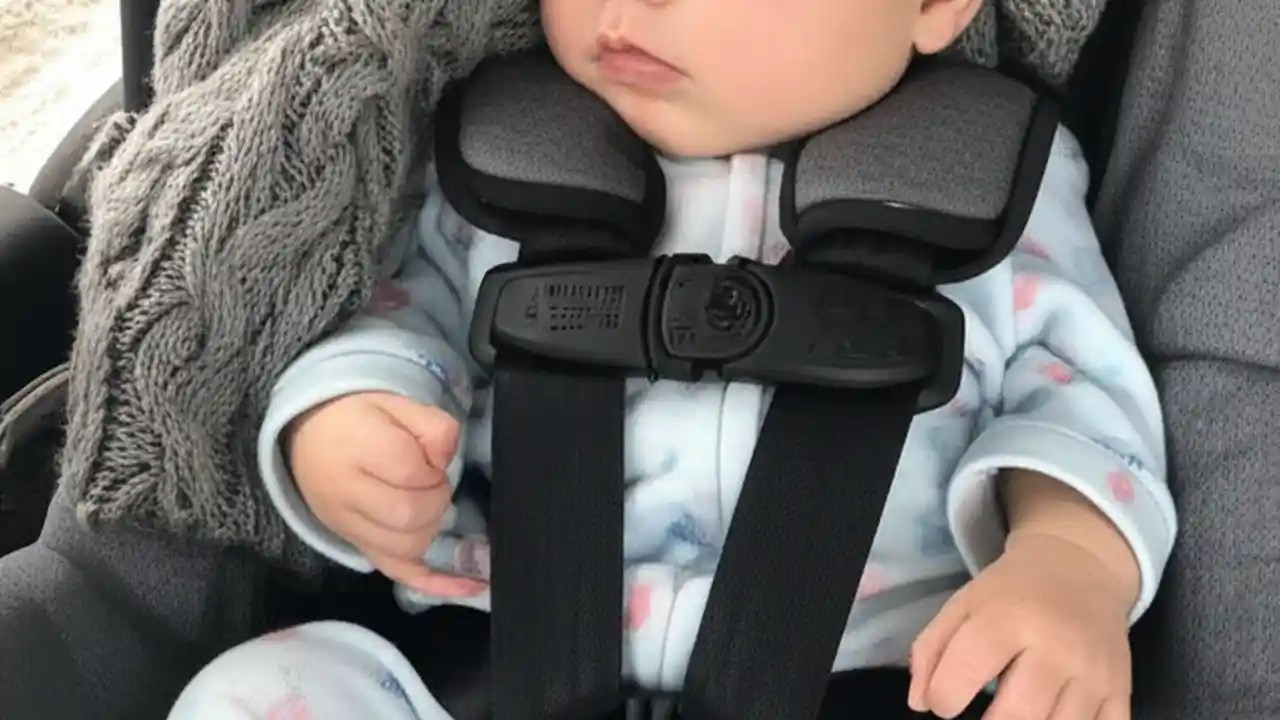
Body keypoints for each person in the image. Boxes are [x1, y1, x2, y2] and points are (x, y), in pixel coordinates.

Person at [168, 0, 1176, 718]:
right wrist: (344, 426)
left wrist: (1069, 564)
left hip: (876, 672)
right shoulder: (500, 165)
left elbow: (1077, 397)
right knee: (257, 694)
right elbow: (398, 322)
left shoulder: (994, 191)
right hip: (490, 657)